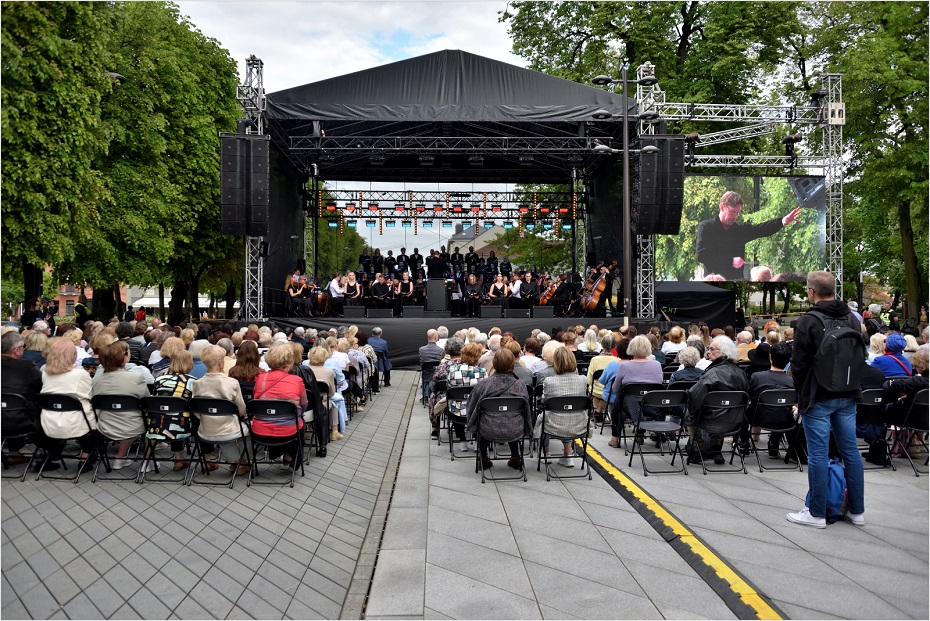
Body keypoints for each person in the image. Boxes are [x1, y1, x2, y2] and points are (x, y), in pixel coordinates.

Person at [787, 270, 865, 528]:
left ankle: (817, 513)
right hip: (848, 392)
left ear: (811, 292)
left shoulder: (808, 320)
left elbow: (798, 364)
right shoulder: (852, 318)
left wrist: (801, 393)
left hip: (818, 395)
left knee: (818, 455)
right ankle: (857, 511)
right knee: (851, 451)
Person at [695, 190, 802, 280]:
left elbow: (760, 229)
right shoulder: (706, 227)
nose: (735, 216)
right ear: (722, 207)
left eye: (737, 213)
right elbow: (701, 255)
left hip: (736, 282)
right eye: (732, 211)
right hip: (713, 282)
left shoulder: (739, 231)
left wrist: (782, 221)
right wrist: (730, 261)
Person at [465, 349, 532, 471]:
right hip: (514, 428)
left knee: (483, 421)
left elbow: (471, 405)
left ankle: (483, 458)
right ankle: (516, 457)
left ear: (494, 364)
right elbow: (526, 409)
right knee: (511, 417)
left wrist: (471, 424)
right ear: (513, 364)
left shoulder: (484, 384)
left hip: (488, 428)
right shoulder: (520, 385)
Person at [91, 341, 149, 470]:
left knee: (124, 414)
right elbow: (146, 401)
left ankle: (120, 458)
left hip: (105, 426)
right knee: (150, 418)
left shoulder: (96, 380)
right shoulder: (136, 378)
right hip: (133, 425)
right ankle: (147, 462)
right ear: (124, 356)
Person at [40, 339, 97, 464]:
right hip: (77, 423)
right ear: (73, 355)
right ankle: (85, 457)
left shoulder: (45, 373)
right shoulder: (80, 374)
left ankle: (53, 453)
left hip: (50, 422)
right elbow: (91, 395)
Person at [252, 344, 307, 465]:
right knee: (300, 423)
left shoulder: (260, 379)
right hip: (289, 431)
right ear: (289, 362)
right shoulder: (296, 380)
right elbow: (304, 404)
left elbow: (256, 400)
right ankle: (290, 458)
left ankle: (280, 454)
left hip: (260, 430)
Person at [535, 347, 589, 467]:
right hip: (578, 423)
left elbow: (544, 401)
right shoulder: (583, 380)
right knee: (568, 412)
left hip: (554, 424)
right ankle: (568, 454)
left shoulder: (549, 381)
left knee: (545, 416)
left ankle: (546, 453)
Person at [607, 336, 663, 449]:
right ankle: (640, 433)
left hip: (629, 408)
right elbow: (659, 384)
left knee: (618, 406)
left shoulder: (625, 366)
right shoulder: (657, 364)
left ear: (631, 348)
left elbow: (615, 389)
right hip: (652, 407)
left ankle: (615, 438)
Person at [150, 350, 196, 471]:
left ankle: (179, 457)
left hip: (158, 423)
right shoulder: (192, 381)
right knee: (186, 414)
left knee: (173, 412)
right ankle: (207, 459)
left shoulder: (160, 378)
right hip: (182, 425)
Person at [446, 342, 487, 452]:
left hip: (457, 413)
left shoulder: (453, 370)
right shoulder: (482, 372)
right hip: (477, 412)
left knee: (455, 404)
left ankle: (462, 440)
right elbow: (485, 391)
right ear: (478, 356)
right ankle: (476, 440)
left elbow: (448, 388)